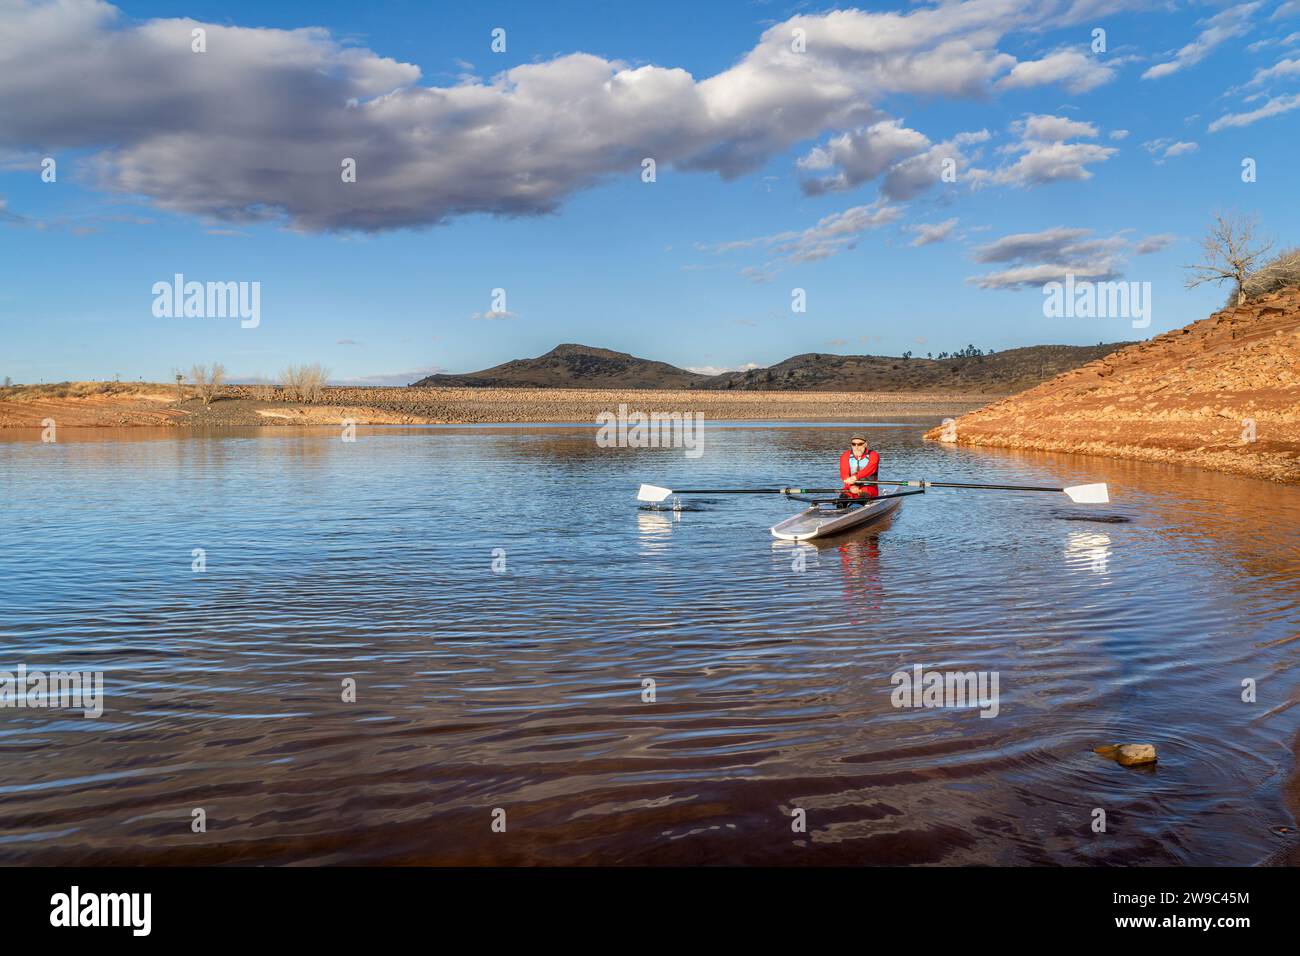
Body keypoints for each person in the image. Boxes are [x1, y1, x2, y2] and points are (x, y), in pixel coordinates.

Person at [839, 435, 880, 501]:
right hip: (850, 487)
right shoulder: (845, 456)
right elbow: (844, 473)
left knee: (863, 497)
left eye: (860, 444)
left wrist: (855, 477)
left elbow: (869, 469)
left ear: (865, 444)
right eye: (853, 444)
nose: (856, 447)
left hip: (869, 487)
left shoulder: (874, 455)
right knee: (842, 498)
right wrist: (851, 486)